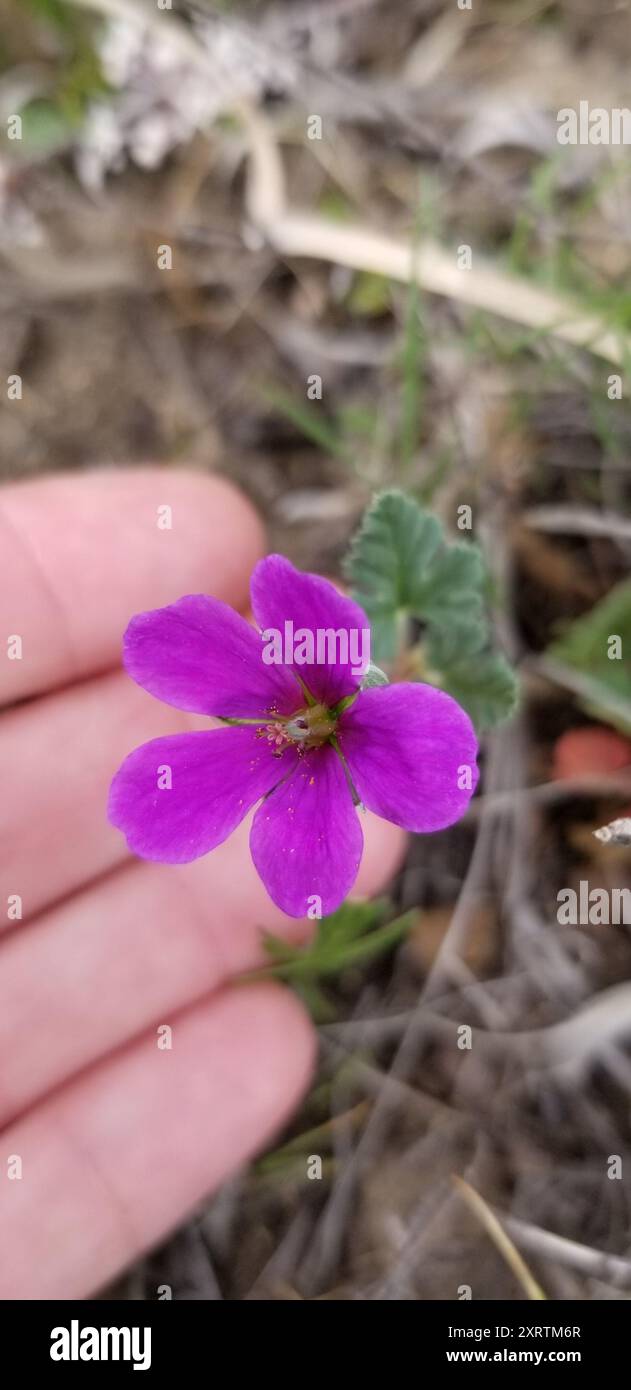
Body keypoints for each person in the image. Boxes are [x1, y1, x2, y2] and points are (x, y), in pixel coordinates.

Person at [0, 468, 403, 1299]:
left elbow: (415, 762)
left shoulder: (338, 714)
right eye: (298, 720)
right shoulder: (286, 729)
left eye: (308, 720)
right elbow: (164, 645)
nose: (299, 726)